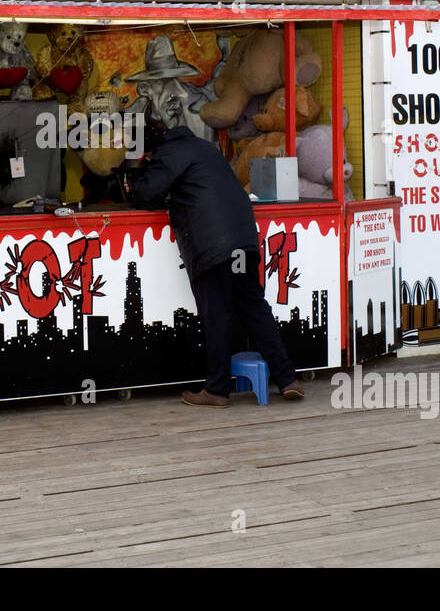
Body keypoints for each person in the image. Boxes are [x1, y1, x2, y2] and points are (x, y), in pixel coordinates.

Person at [118, 49, 305, 407]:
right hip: (243, 243)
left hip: (214, 248)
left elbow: (145, 194)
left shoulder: (170, 154)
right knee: (253, 307)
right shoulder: (205, 151)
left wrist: (132, 177)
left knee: (217, 314)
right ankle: (287, 378)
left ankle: (217, 390)